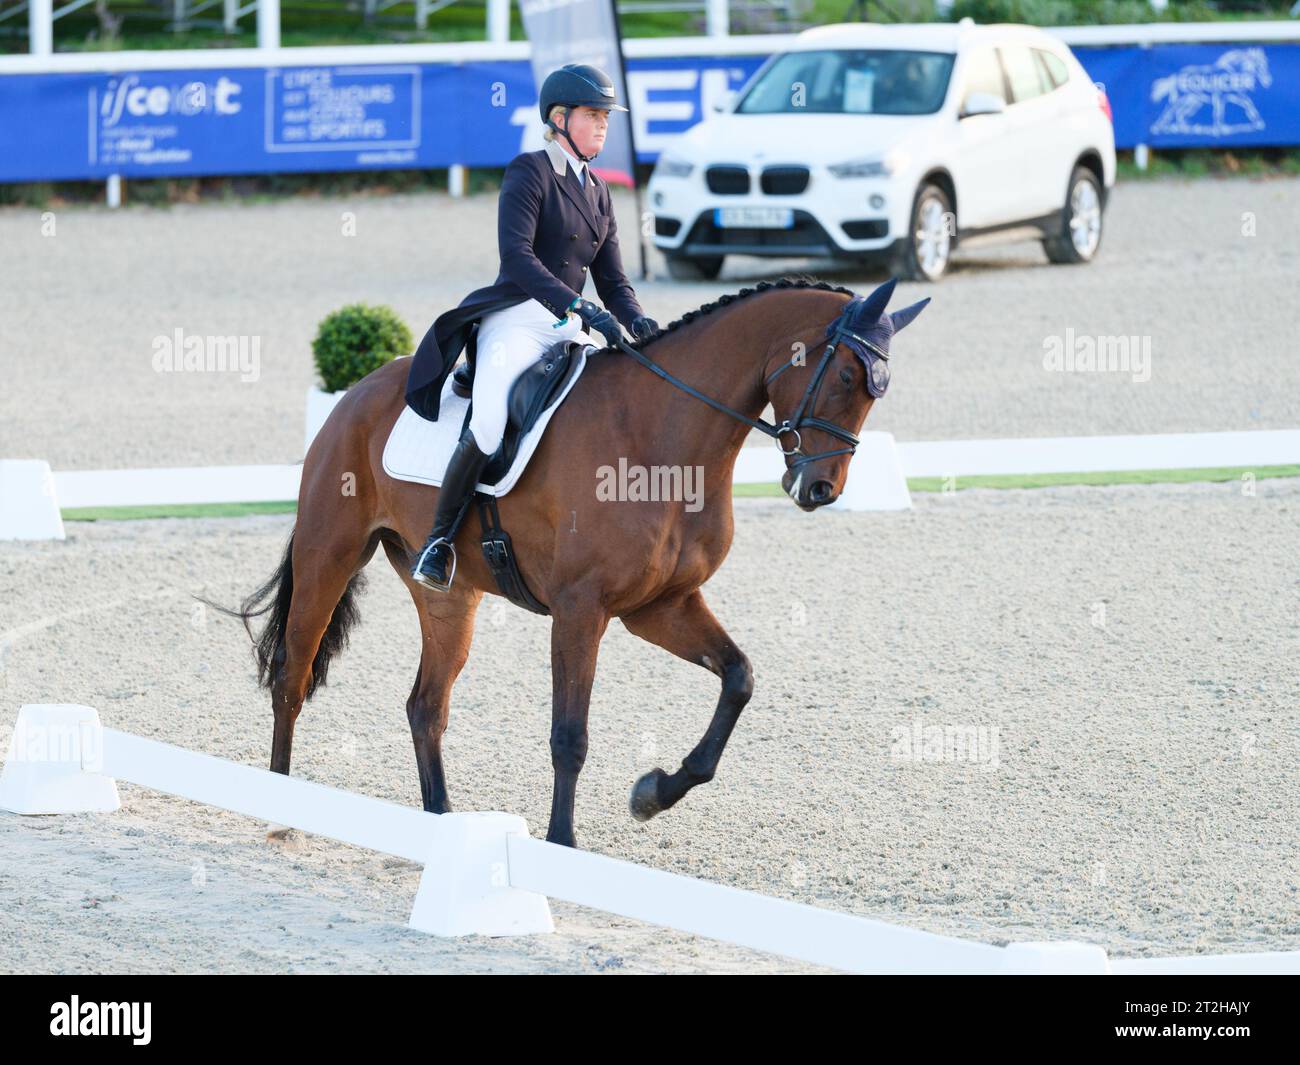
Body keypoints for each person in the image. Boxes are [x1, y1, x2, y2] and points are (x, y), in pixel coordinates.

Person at [404, 63, 658, 591]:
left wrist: (636, 319)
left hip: (567, 325)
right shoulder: (530, 170)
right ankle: (439, 541)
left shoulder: (599, 192)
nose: (603, 126)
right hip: (518, 319)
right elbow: (516, 256)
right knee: (492, 419)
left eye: (606, 116)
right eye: (594, 115)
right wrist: (578, 306)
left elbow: (612, 279)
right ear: (559, 118)